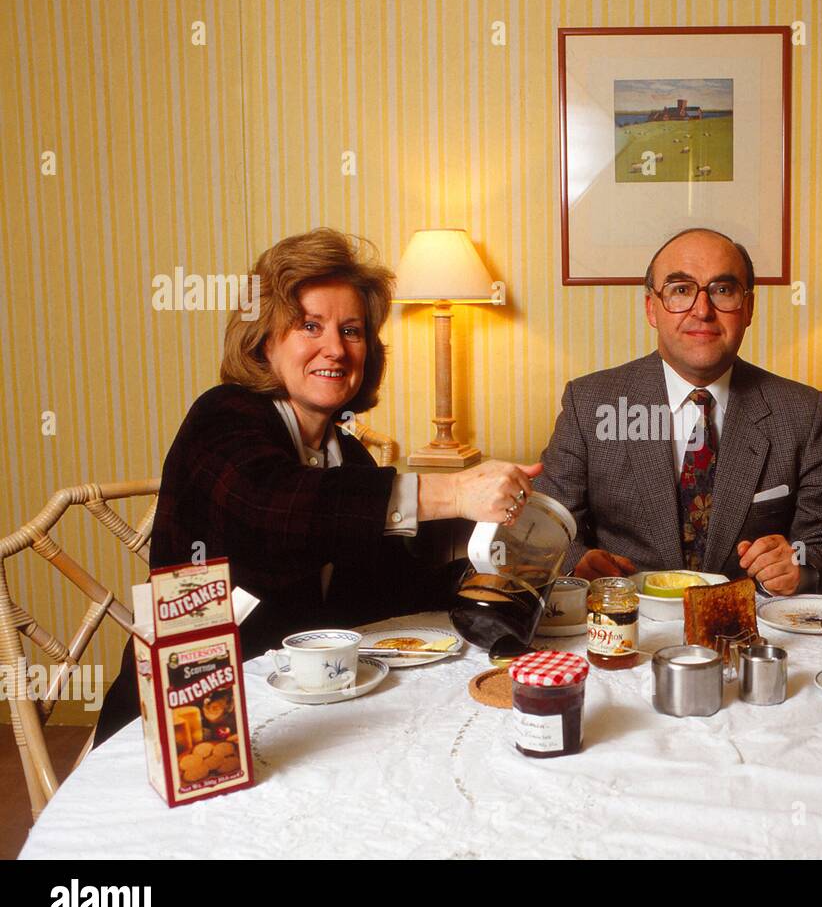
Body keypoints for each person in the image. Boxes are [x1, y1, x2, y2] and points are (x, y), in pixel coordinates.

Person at [96, 228, 541, 744]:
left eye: (352, 331)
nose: (335, 349)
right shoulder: (221, 417)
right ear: (265, 340)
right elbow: (274, 507)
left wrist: (518, 571)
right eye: (310, 326)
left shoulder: (347, 455)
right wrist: (455, 493)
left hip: (307, 712)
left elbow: (391, 590)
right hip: (191, 722)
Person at [535, 228, 822, 594]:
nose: (703, 310)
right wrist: (575, 562)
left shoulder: (802, 412)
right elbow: (543, 531)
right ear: (651, 308)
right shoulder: (590, 404)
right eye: (681, 290)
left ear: (748, 309)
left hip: (749, 619)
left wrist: (801, 567)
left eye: (722, 290)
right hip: (628, 616)